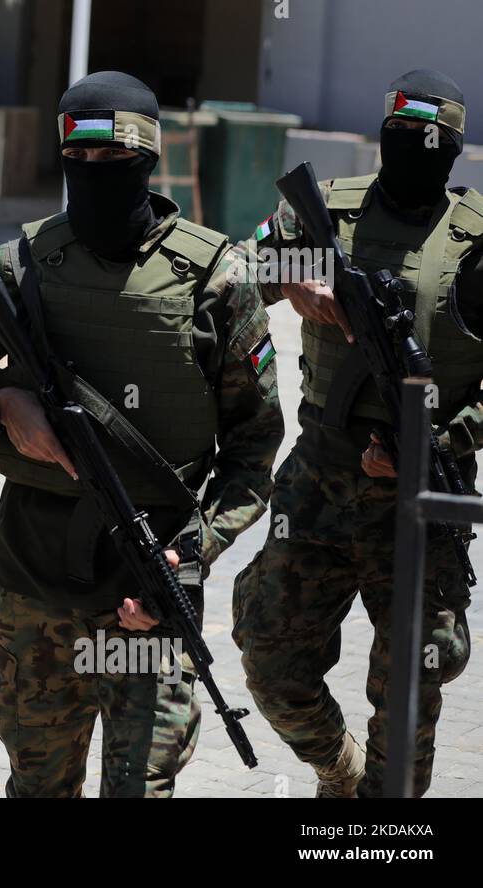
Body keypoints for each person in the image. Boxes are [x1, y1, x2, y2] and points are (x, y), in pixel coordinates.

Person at [0, 71, 284, 797]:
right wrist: (2, 406)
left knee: (139, 788)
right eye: (78, 160)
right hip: (34, 585)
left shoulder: (216, 279)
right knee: (38, 786)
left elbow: (253, 453)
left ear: (149, 158)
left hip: (152, 581)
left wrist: (192, 555)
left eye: (111, 159)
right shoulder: (17, 267)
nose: (92, 175)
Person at [232, 69, 478, 797]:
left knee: (415, 676)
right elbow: (240, 269)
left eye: (427, 140)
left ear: (454, 149)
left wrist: (449, 438)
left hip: (424, 488)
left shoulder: (477, 244)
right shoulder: (327, 215)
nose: (411, 149)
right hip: (320, 474)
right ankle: (338, 769)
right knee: (269, 657)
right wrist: (294, 278)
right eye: (398, 134)